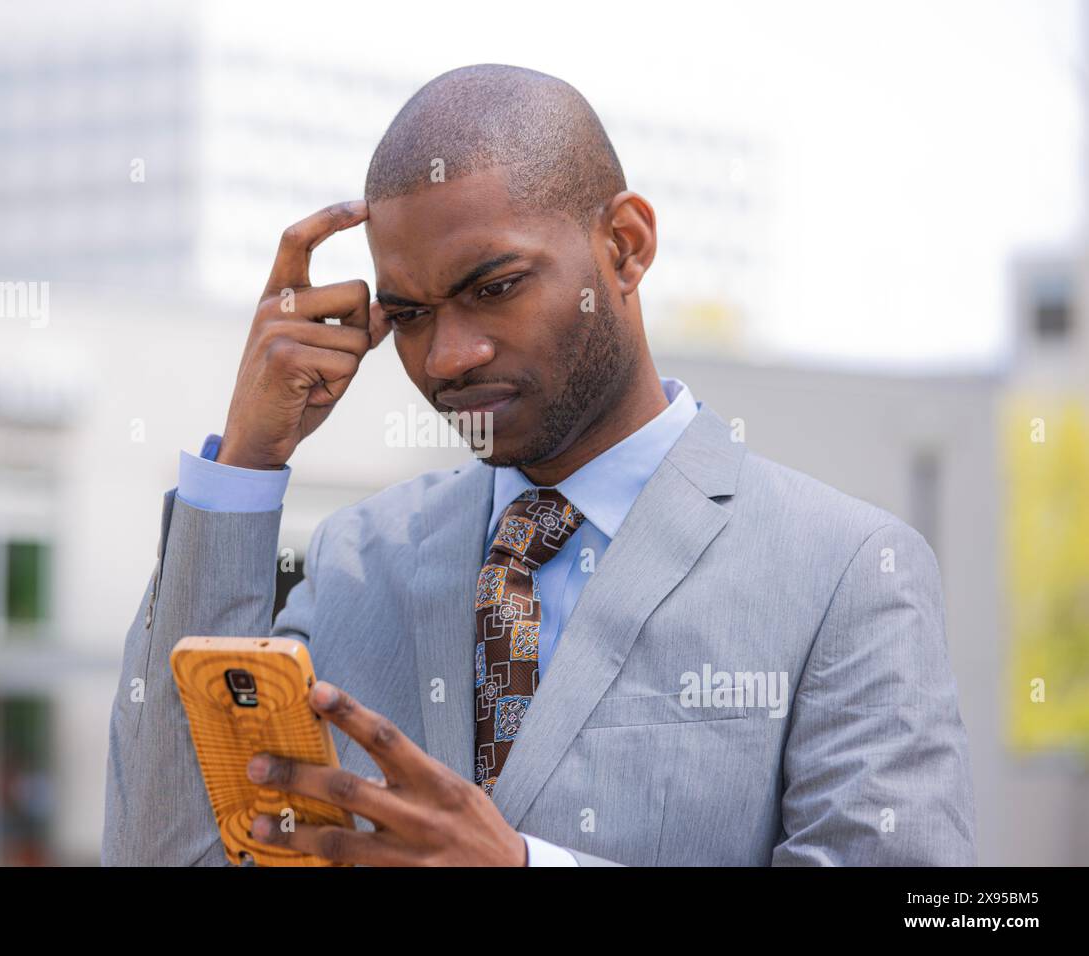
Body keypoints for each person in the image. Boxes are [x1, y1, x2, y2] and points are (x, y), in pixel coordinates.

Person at [102, 64, 976, 866]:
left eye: (495, 287)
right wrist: (250, 464)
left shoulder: (846, 573)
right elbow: (164, 851)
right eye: (407, 314)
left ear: (625, 247)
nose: (447, 357)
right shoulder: (354, 561)